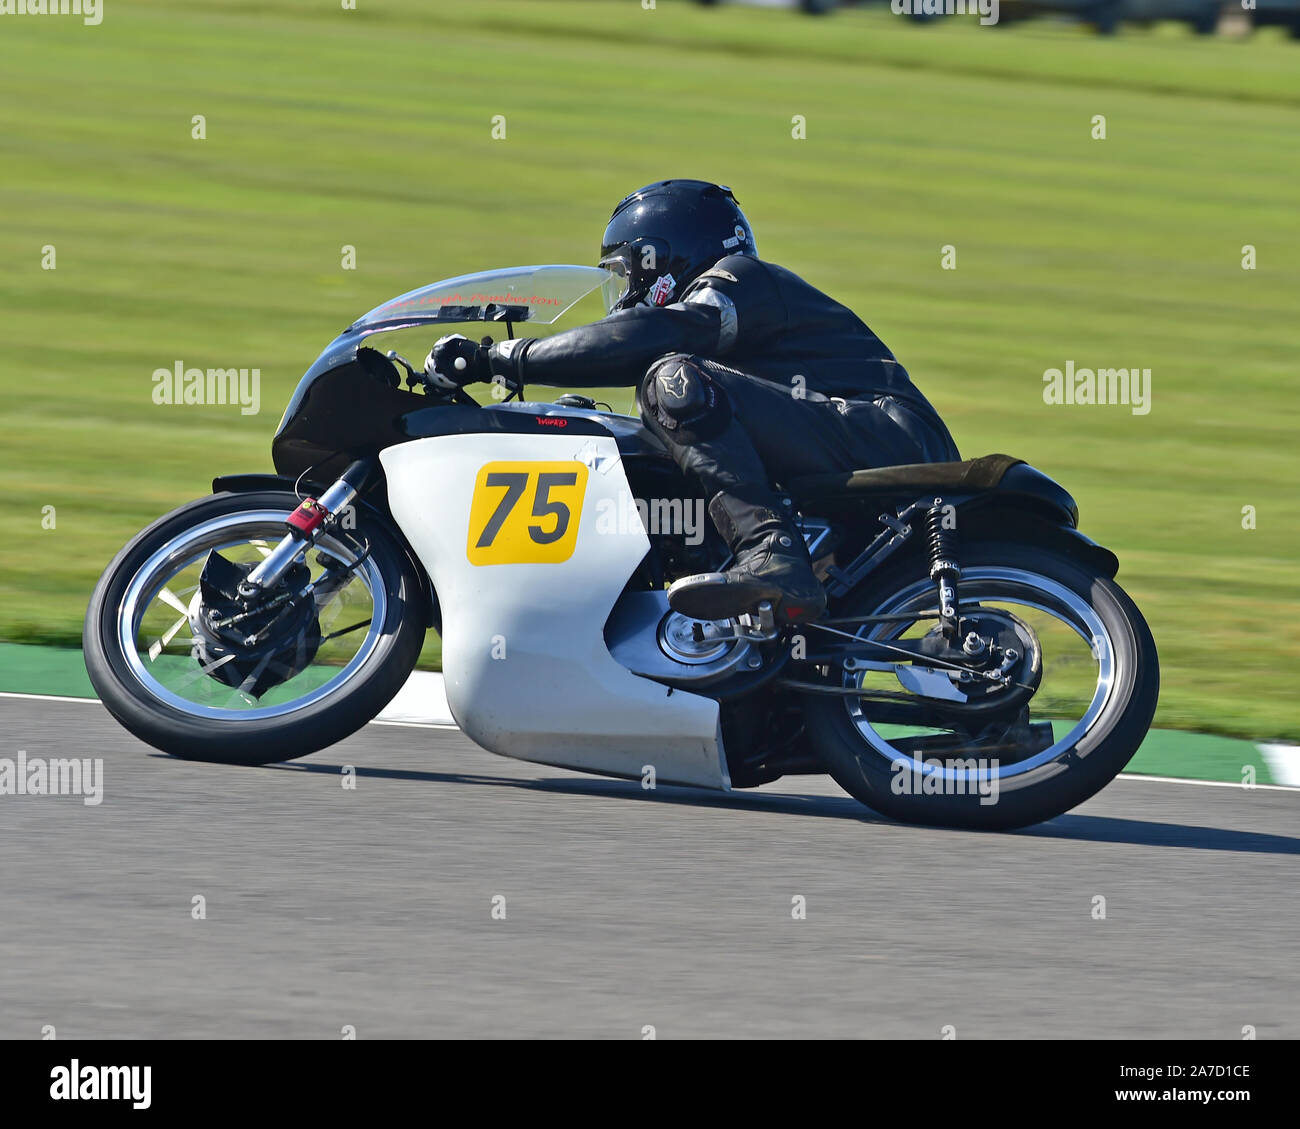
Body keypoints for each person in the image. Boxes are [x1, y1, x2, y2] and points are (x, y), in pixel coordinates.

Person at [426, 179, 959, 624]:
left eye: (626, 271)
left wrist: (500, 358)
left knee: (671, 381)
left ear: (666, 255)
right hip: (854, 458)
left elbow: (650, 337)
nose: (625, 290)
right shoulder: (727, 337)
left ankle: (770, 551)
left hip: (889, 438)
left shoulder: (741, 281)